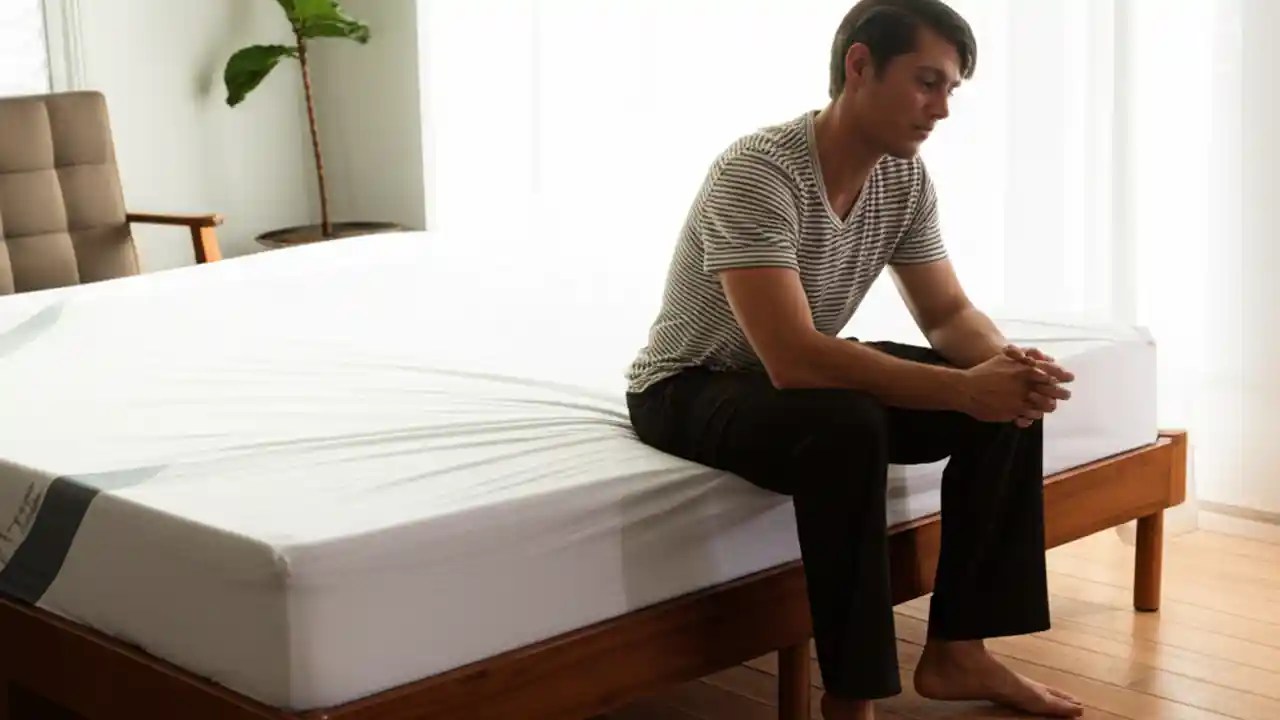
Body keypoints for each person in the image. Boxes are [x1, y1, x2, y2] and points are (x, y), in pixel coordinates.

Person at [623, 1, 1085, 718]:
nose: (941, 110)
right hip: (693, 384)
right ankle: (852, 696)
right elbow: (792, 359)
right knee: (847, 423)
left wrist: (1004, 368)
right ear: (860, 65)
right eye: (927, 82)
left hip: (794, 377)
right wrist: (965, 389)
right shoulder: (759, 172)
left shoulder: (903, 179)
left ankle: (960, 652)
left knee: (1005, 405)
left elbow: (947, 315)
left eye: (951, 90)